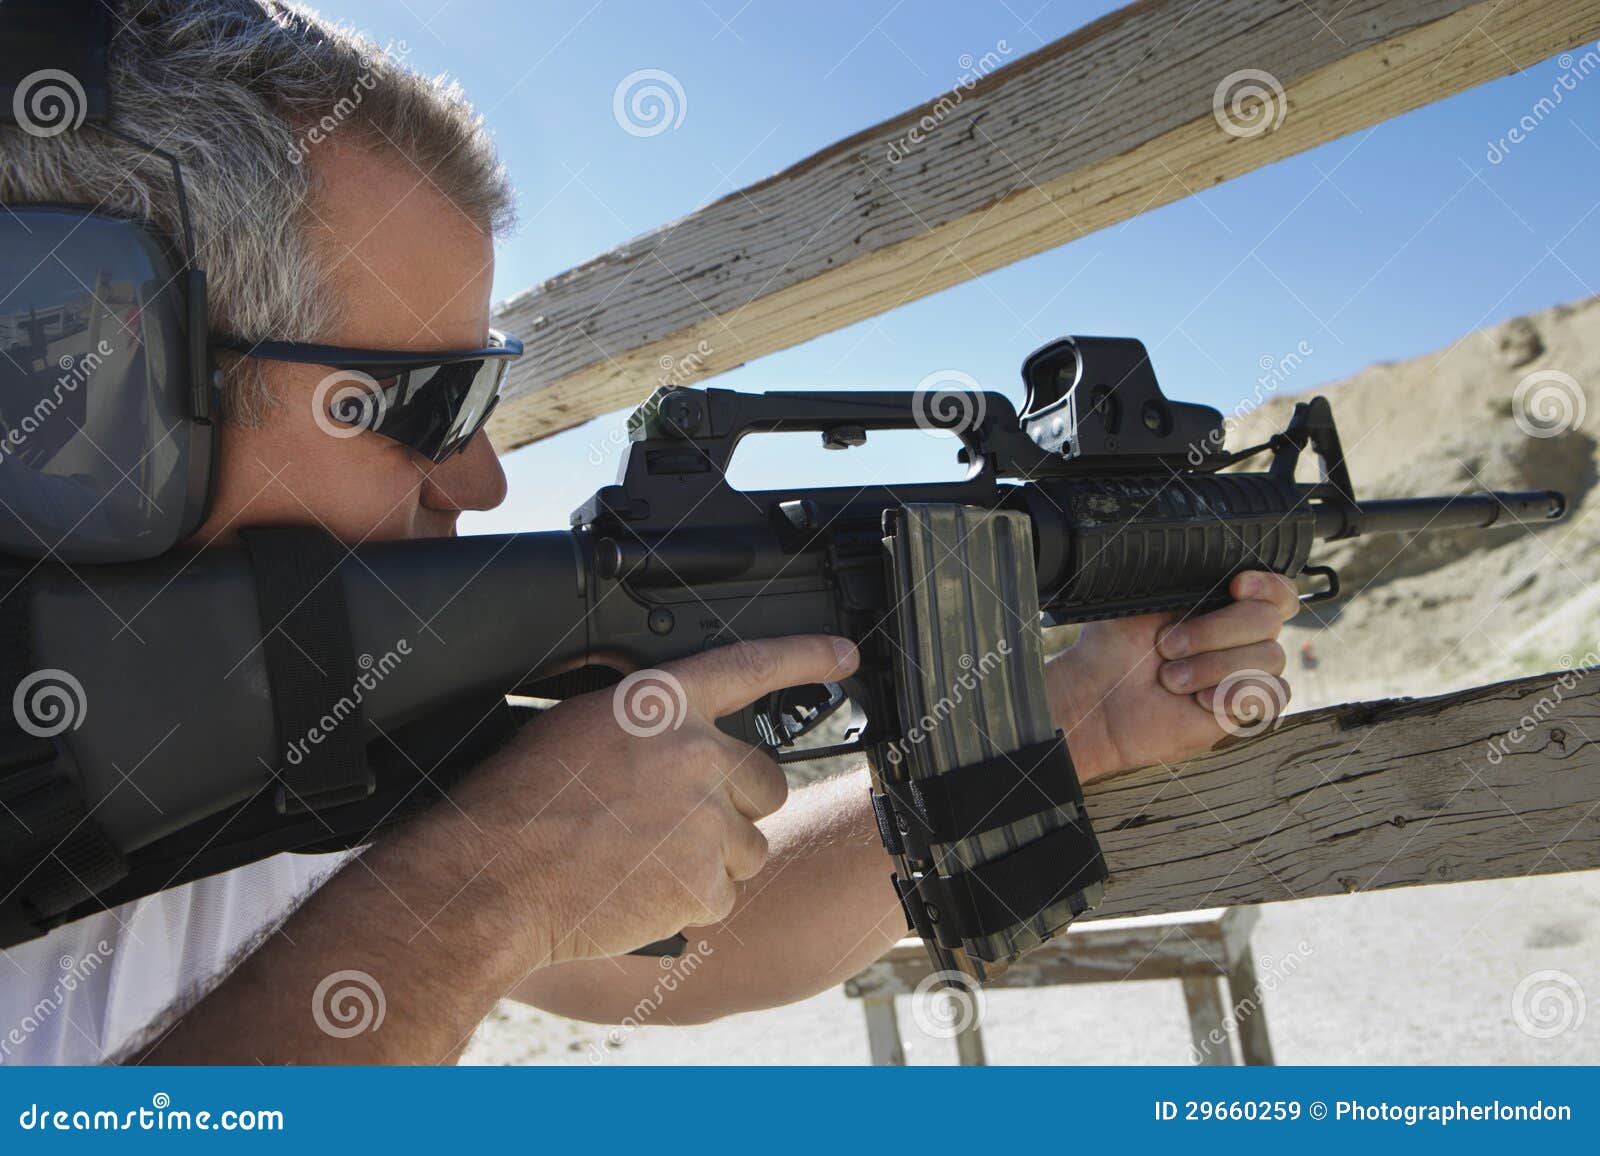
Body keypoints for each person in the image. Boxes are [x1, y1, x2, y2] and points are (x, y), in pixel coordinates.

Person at [0, 0, 1296, 1065]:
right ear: (107, 389)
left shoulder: (258, 712)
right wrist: (476, 892)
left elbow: (683, 955)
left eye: (485, 398)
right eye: (423, 404)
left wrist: (1080, 722)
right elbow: (478, 916)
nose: (484, 480)